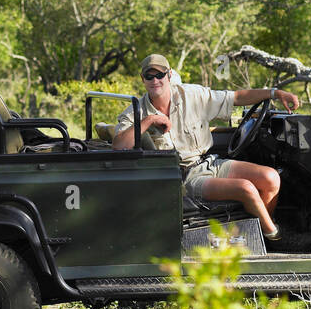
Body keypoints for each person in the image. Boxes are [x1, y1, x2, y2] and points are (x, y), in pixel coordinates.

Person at [112, 53, 299, 240]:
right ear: (142, 79)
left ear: (169, 75)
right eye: (149, 76)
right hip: (183, 178)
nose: (155, 81)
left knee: (271, 177)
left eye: (160, 75)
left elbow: (235, 97)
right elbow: (119, 145)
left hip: (208, 163)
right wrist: (149, 120)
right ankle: (276, 237)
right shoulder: (137, 111)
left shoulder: (191, 95)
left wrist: (275, 93)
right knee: (246, 188)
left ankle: (258, 237)